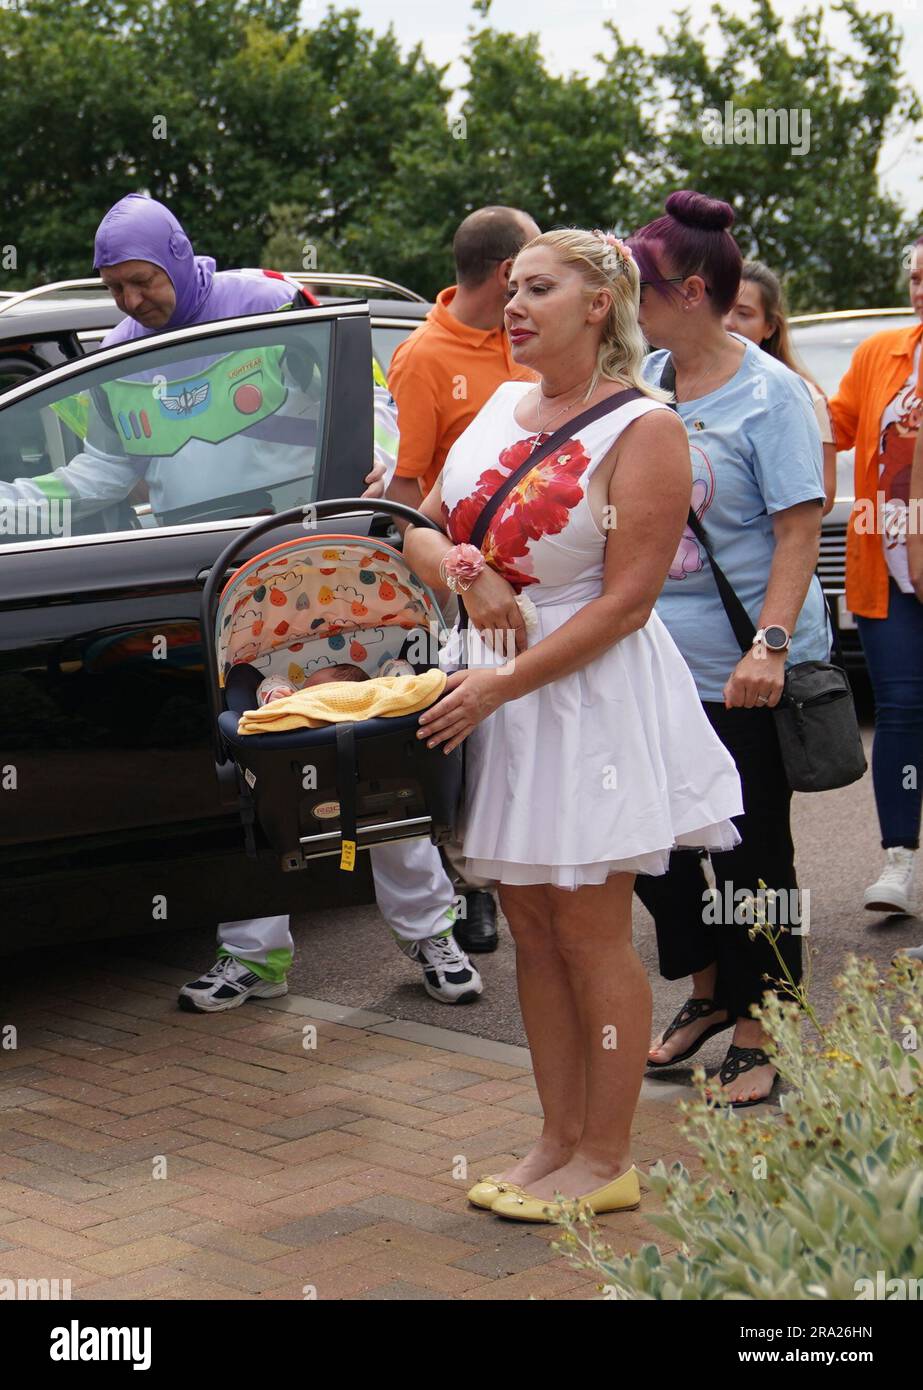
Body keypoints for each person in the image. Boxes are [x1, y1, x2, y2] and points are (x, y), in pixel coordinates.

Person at [0, 193, 483, 1011]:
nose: (129, 301)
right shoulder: (119, 357)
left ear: (181, 258)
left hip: (327, 553)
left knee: (372, 743)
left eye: (141, 281)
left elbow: (362, 401)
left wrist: (384, 469)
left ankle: (431, 936)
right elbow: (98, 480)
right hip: (218, 573)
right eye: (114, 286)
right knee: (254, 759)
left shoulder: (267, 303)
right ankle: (253, 954)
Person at [402, 227, 743, 1221]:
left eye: (537, 289)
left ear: (598, 304)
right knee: (530, 925)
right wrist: (464, 576)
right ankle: (552, 1137)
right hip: (492, 687)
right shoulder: (498, 408)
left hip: (582, 701)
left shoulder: (645, 428)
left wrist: (501, 684)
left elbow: (628, 601)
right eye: (509, 288)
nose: (512, 306)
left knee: (589, 930)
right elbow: (418, 524)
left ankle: (606, 1154)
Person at [625, 191, 828, 1108]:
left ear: (693, 290)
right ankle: (708, 990)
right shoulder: (647, 382)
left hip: (745, 669)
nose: (630, 302)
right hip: (652, 667)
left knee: (752, 858)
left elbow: (796, 531)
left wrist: (772, 649)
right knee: (655, 850)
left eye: (643, 286)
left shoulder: (771, 394)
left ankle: (763, 1020)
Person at [386, 205, 542, 953]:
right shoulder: (423, 356)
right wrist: (450, 583)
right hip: (466, 591)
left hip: (546, 584)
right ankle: (470, 885)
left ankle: (528, 868)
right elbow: (404, 490)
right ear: (508, 273)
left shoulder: (533, 342)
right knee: (470, 735)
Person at [828, 235, 923, 918]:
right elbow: (833, 424)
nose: (919, 287)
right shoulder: (878, 355)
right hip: (885, 568)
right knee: (898, 708)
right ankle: (899, 860)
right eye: (915, 277)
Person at [724, 260, 837, 513]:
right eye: (723, 309)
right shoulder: (681, 382)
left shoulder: (804, 395)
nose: (729, 322)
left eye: (744, 313)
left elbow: (824, 495)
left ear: (769, 327)